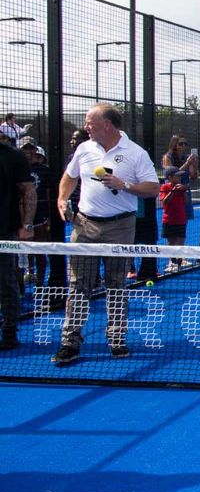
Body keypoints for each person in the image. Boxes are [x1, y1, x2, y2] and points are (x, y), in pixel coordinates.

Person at [51, 104, 160, 365]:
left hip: (120, 227)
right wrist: (62, 198)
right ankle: (70, 342)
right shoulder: (84, 149)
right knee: (78, 286)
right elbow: (69, 176)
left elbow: (153, 188)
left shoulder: (136, 153)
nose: (86, 126)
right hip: (84, 225)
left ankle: (117, 339)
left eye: (90, 122)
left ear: (108, 125)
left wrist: (125, 185)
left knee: (116, 285)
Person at [0, 139, 35, 350]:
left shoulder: (13, 156)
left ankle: (9, 330)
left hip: (4, 232)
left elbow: (28, 191)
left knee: (6, 282)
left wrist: (27, 224)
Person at [21, 142, 51, 288]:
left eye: (30, 148)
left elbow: (49, 194)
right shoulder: (17, 169)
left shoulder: (45, 171)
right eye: (24, 148)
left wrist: (50, 216)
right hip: (20, 218)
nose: (28, 152)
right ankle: (23, 282)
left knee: (40, 250)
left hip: (41, 217)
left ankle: (40, 284)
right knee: (20, 253)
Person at [161, 135, 198, 221]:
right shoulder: (167, 157)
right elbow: (171, 174)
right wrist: (187, 164)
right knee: (173, 217)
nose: (183, 146)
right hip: (172, 191)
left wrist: (194, 164)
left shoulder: (185, 157)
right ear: (174, 144)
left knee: (185, 218)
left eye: (185, 144)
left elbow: (193, 176)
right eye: (181, 144)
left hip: (184, 190)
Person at [159, 167, 189, 272]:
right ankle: (172, 262)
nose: (180, 177)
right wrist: (173, 191)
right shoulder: (164, 186)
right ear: (170, 177)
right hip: (169, 220)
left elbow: (185, 202)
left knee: (181, 241)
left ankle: (180, 262)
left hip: (181, 219)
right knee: (171, 242)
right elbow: (164, 202)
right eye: (177, 176)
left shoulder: (181, 188)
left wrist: (183, 190)